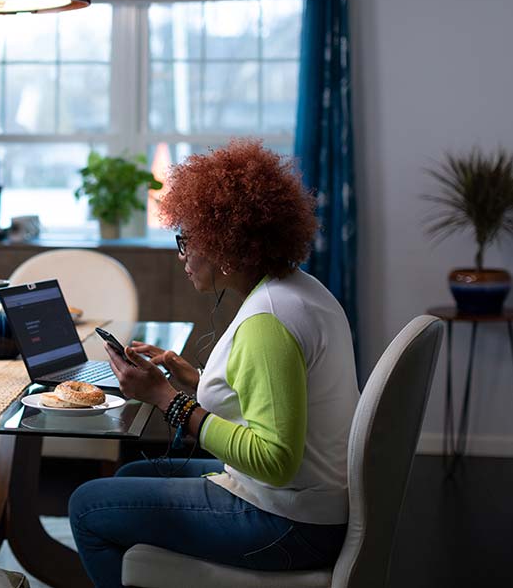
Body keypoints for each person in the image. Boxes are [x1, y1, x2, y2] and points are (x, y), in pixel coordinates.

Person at [69, 139, 360, 588]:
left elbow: (275, 459)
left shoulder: (268, 323)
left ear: (226, 245)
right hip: (310, 506)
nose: (182, 255)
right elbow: (273, 397)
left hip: (290, 525)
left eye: (187, 241)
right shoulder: (298, 291)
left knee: (89, 506)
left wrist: (166, 399)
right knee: (131, 475)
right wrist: (190, 378)